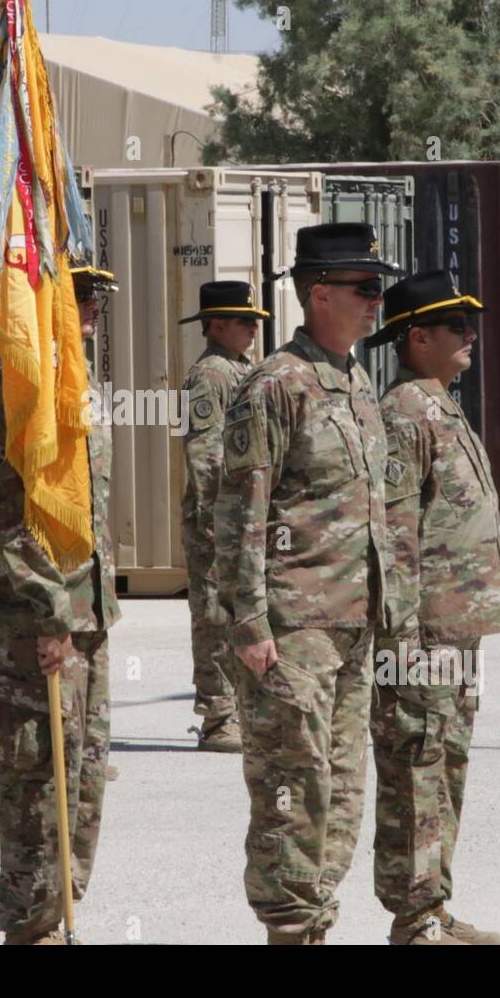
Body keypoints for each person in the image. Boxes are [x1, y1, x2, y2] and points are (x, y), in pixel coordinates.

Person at [216, 224, 401, 944]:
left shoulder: (355, 381)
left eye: (379, 287)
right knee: (293, 790)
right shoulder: (275, 385)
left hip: (353, 621)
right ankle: (292, 930)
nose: (377, 300)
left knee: (343, 790)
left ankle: (317, 922)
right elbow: (241, 512)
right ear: (320, 293)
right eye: (366, 288)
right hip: (293, 627)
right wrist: (249, 623)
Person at [0, 264, 121, 945]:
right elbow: (8, 524)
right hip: (34, 622)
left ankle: (59, 915)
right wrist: (49, 613)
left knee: (82, 780)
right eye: (78, 295)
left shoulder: (74, 383)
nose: (91, 307)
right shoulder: (10, 392)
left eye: (95, 297)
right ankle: (29, 928)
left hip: (87, 615)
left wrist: (88, 610)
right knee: (36, 782)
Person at [364, 270, 500, 946]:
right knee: (416, 771)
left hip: (455, 629)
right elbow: (392, 534)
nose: (470, 335)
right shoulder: (404, 414)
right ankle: (413, 917)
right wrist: (401, 639)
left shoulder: (441, 405)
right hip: (419, 635)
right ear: (416, 338)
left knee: (445, 765)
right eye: (456, 326)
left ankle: (435, 906)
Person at [177, 280, 267, 753]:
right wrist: (221, 518)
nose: (254, 328)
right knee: (214, 615)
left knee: (239, 611)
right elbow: (206, 453)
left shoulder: (240, 368)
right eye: (244, 321)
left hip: (240, 517)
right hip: (218, 517)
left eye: (255, 320)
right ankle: (217, 718)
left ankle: (239, 710)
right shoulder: (211, 375)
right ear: (215, 325)